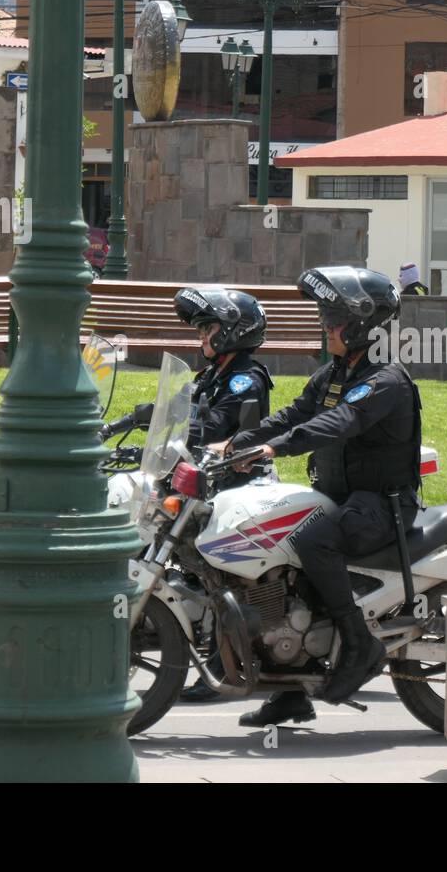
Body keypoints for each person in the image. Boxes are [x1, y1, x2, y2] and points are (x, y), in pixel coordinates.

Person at [212, 266, 422, 728]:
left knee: (312, 541)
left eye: (333, 319)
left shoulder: (384, 381)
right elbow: (294, 414)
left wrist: (274, 448)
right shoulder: (334, 373)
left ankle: (358, 643)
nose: (325, 328)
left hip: (379, 506)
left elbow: (337, 423)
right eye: (325, 318)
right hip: (338, 497)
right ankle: (291, 692)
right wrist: (234, 445)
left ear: (360, 324)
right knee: (282, 555)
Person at [169, 286, 274, 702]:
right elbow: (183, 414)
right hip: (211, 482)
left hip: (241, 486)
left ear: (234, 330)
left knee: (219, 572)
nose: (201, 338)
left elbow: (216, 427)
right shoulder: (212, 374)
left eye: (207, 328)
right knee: (190, 562)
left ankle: (221, 662)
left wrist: (180, 430)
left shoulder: (247, 378)